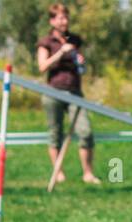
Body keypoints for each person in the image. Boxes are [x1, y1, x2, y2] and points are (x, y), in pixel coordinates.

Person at [37, 3, 100, 185]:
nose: (64, 21)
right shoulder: (46, 42)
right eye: (60, 17)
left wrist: (81, 61)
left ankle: (88, 173)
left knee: (85, 131)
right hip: (53, 92)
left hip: (74, 91)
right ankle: (58, 173)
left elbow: (82, 67)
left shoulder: (75, 39)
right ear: (52, 21)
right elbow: (42, 67)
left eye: (66, 17)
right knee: (56, 133)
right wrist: (60, 54)